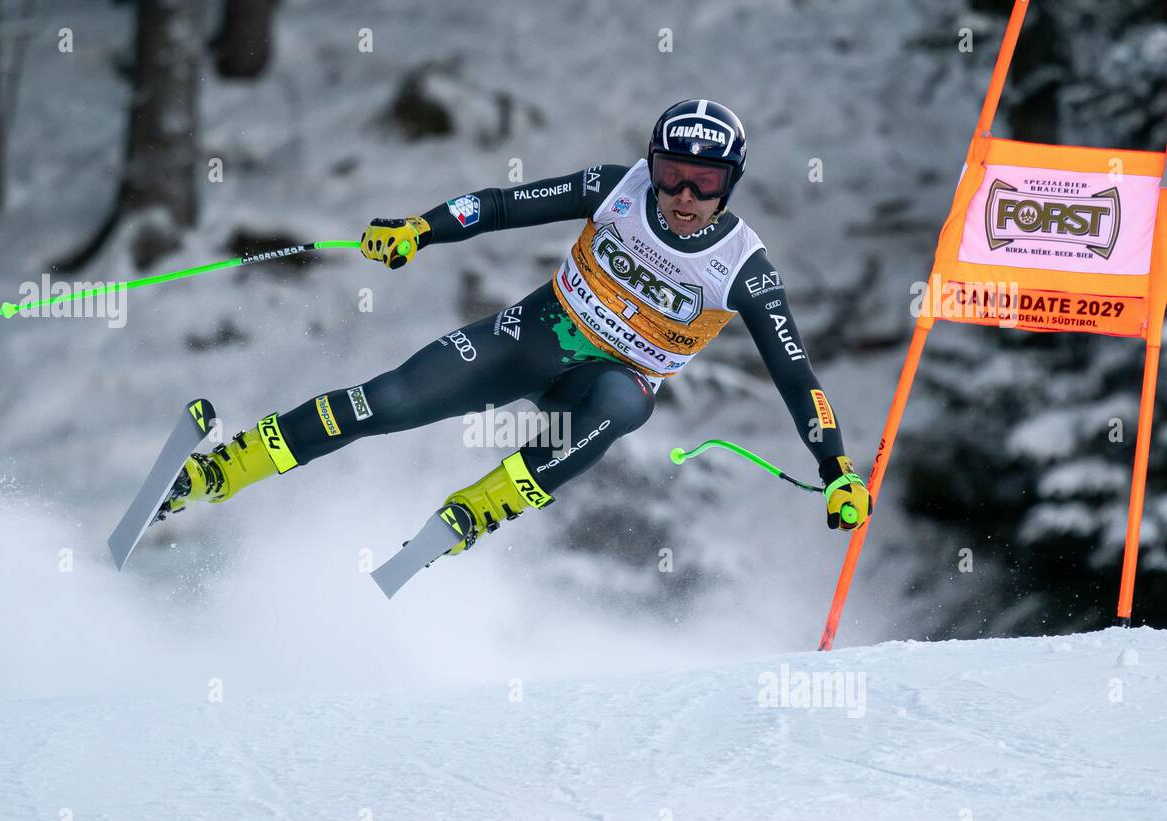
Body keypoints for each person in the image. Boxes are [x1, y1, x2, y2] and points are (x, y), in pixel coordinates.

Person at [160, 98, 870, 555]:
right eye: (672, 174)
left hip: (600, 386)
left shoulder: (743, 266)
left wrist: (835, 467)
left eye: (705, 182)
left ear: (730, 184)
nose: (684, 195)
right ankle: (221, 471)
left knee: (626, 403)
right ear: (651, 166)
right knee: (388, 401)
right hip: (529, 337)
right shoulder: (615, 189)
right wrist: (421, 229)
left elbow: (796, 376)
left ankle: (480, 508)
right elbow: (502, 204)